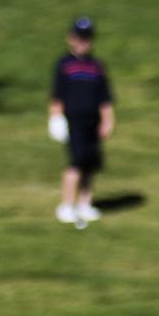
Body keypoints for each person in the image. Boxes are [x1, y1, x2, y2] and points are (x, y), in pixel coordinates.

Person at [49, 16, 115, 226]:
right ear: (71, 38)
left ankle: (84, 204)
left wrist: (108, 120)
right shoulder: (64, 64)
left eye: (87, 38)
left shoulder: (97, 67)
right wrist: (55, 118)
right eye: (79, 38)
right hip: (74, 122)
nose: (83, 42)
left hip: (93, 122)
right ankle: (67, 205)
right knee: (76, 164)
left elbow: (105, 98)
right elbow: (57, 95)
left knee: (90, 164)